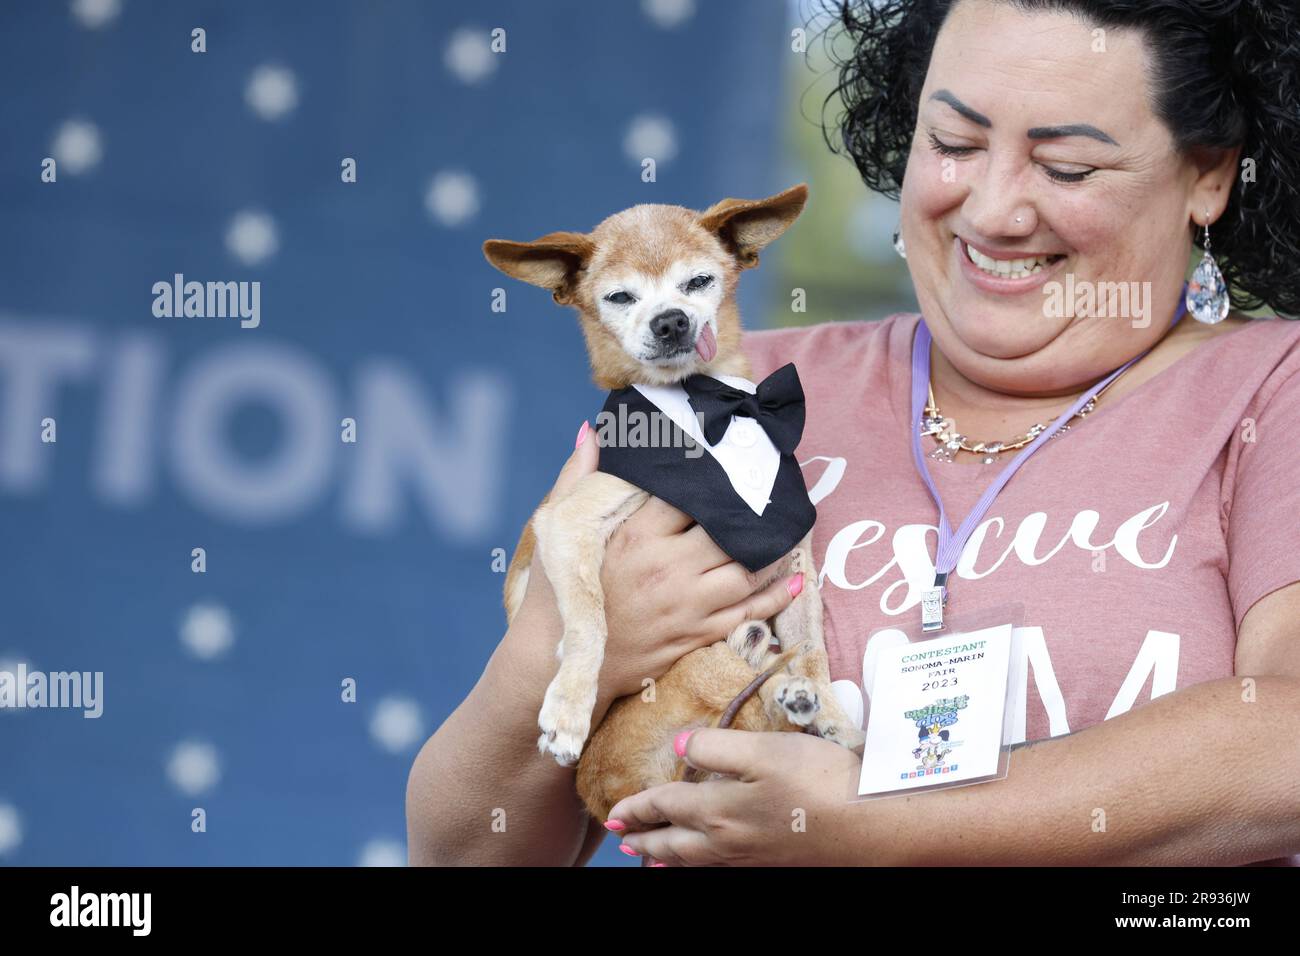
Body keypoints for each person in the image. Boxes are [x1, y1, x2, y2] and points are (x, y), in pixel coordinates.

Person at [407, 0, 1300, 866]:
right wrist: (570, 645)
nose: (991, 212)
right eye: (952, 144)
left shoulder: (1273, 388)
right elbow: (462, 855)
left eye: (1065, 167)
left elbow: (1285, 740)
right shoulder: (734, 387)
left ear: (1211, 175)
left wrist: (882, 825)